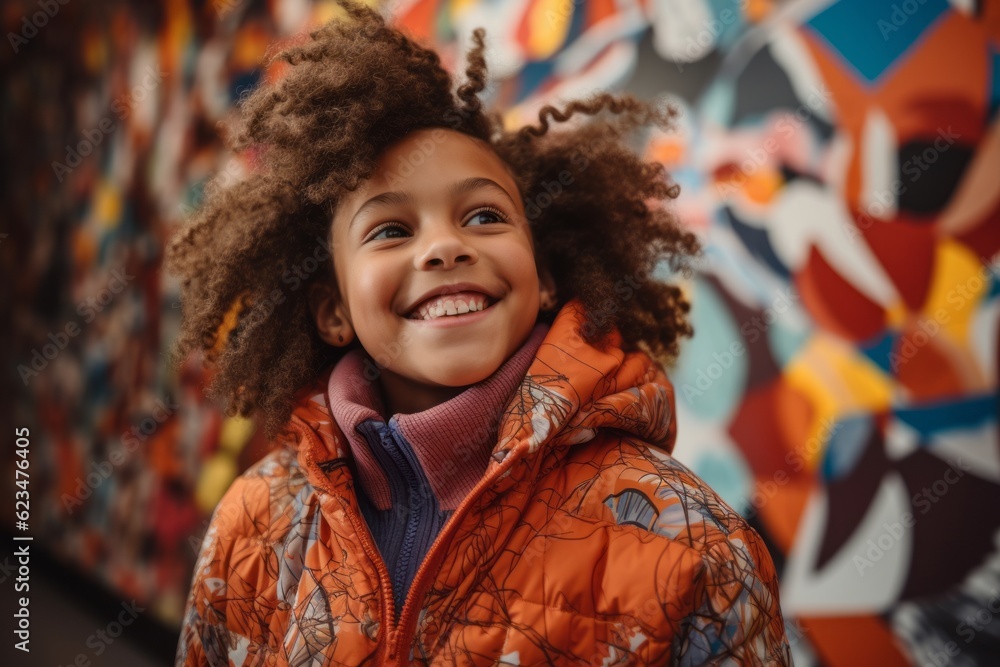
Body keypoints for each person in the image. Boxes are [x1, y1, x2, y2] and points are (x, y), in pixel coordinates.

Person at [169, 1, 791, 664]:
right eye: (390, 230)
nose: (443, 247)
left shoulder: (692, 544)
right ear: (334, 310)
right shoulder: (253, 523)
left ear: (545, 277)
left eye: (484, 216)